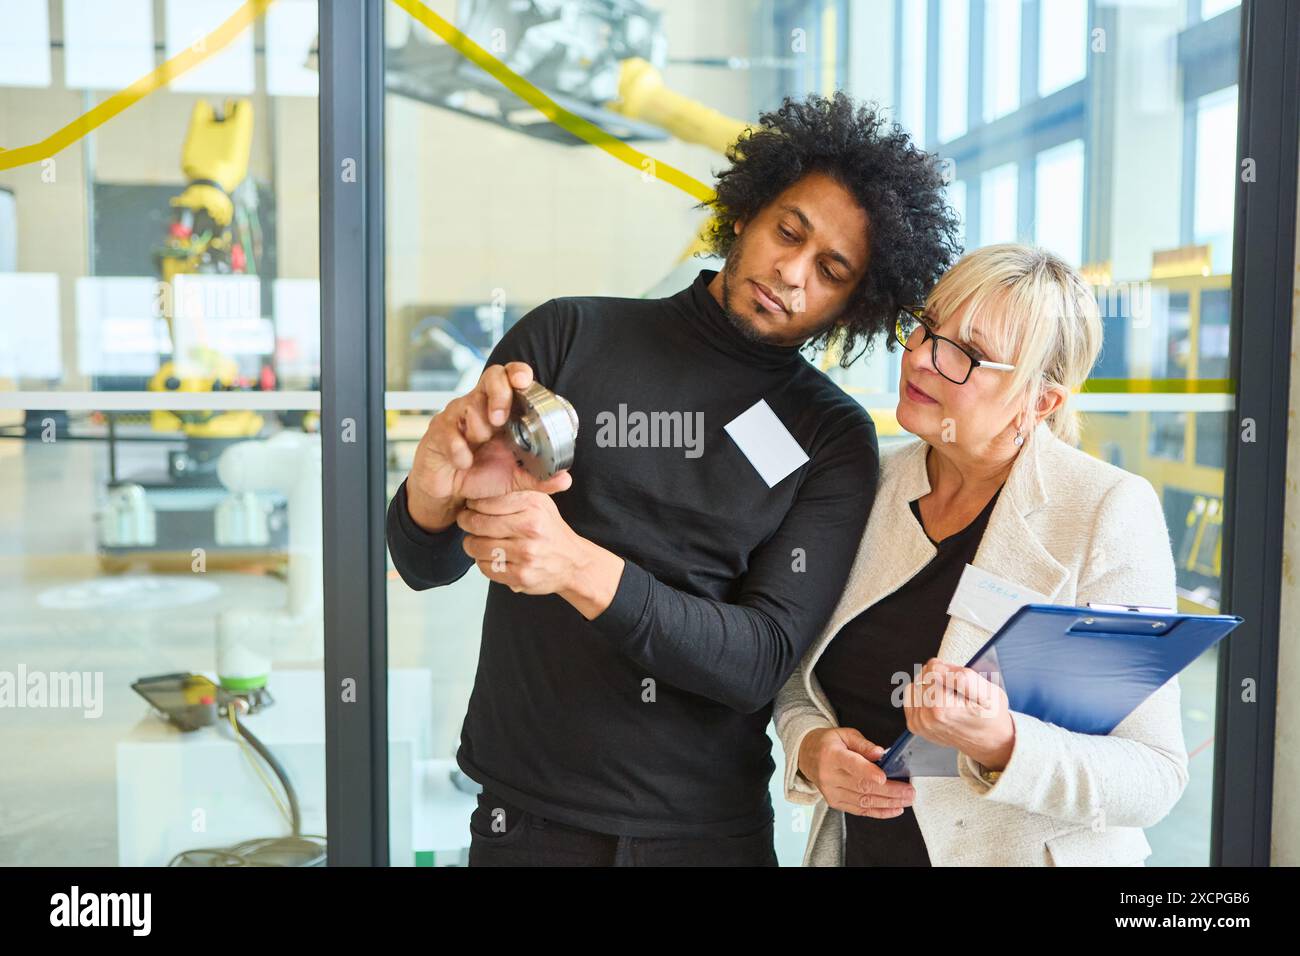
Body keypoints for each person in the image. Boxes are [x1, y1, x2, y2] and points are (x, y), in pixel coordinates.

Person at [386, 92, 961, 865]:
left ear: (855, 302)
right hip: (523, 822)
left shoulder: (831, 437)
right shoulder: (568, 336)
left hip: (704, 836)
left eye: (830, 270)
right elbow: (425, 566)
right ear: (746, 213)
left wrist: (576, 565)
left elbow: (760, 657)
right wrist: (432, 493)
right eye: (788, 232)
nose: (791, 273)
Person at [776, 243, 1189, 867]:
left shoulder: (1106, 510)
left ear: (1041, 400)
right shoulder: (866, 486)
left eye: (965, 354)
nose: (920, 357)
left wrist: (1006, 743)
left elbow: (1154, 774)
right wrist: (810, 746)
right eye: (927, 326)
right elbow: (793, 669)